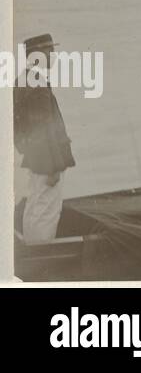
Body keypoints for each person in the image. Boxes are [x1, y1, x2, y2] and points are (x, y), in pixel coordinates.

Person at [14, 33, 75, 243]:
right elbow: (44, 128)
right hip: (46, 160)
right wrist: (53, 166)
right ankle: (42, 255)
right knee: (46, 210)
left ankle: (32, 251)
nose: (54, 57)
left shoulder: (24, 80)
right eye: (50, 52)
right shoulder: (37, 85)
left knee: (36, 204)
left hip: (36, 157)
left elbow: (19, 129)